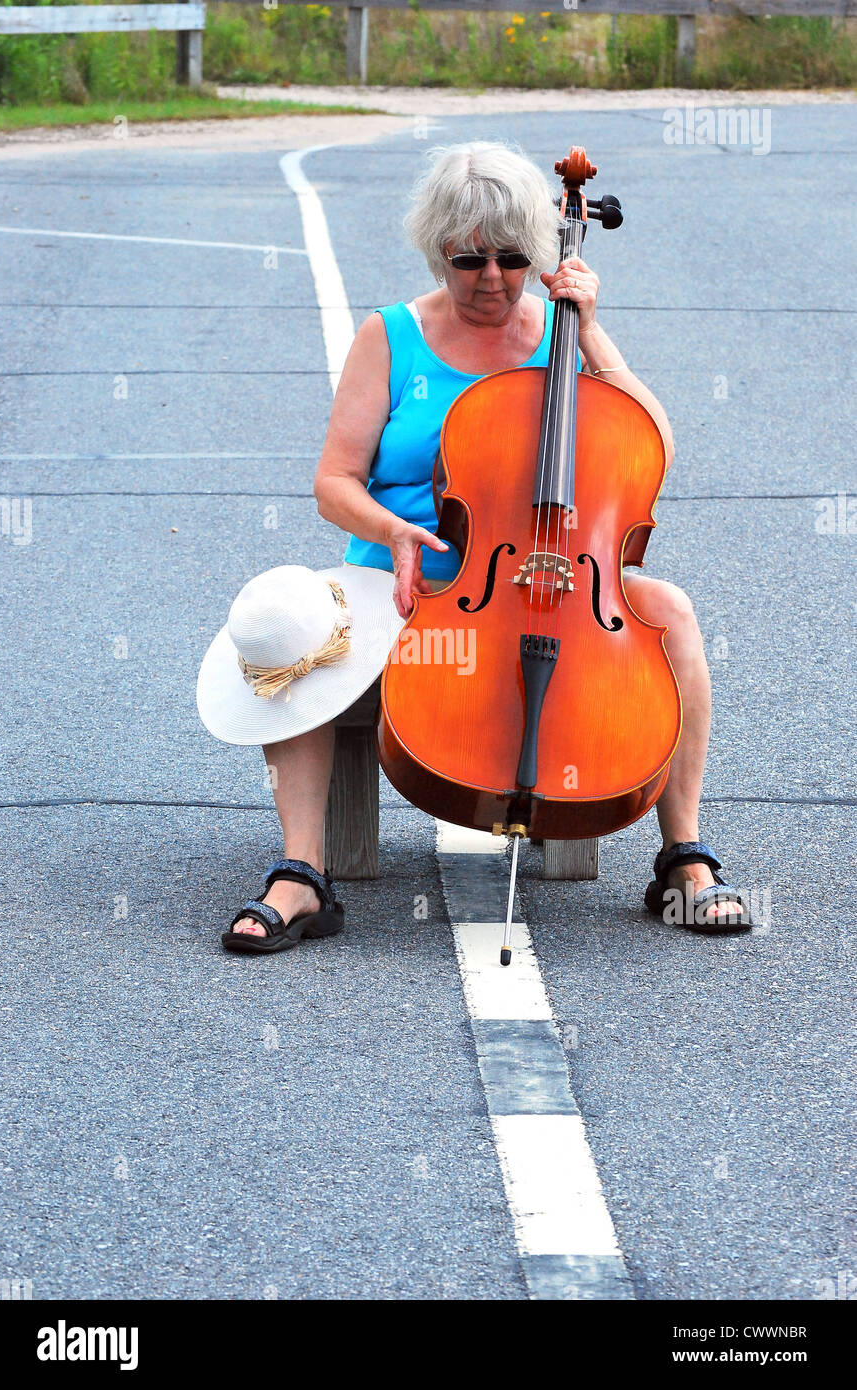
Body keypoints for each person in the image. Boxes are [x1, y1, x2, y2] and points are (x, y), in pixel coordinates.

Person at [218, 141, 751, 952]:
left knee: (670, 610)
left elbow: (656, 449)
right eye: (470, 261)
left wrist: (596, 335)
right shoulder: (389, 337)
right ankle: (302, 876)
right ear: (439, 250)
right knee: (289, 624)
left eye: (511, 257)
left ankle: (683, 859)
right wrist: (392, 529)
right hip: (404, 584)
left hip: (555, 584)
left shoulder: (561, 337)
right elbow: (334, 483)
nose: (493, 278)